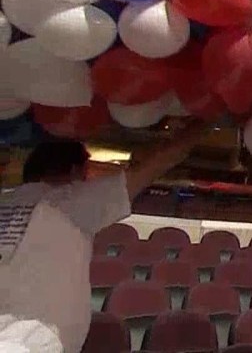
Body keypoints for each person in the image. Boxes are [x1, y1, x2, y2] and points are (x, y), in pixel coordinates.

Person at [0, 120, 207, 353]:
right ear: (75, 171)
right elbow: (160, 161)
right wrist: (206, 122)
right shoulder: (68, 202)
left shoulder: (4, 202)